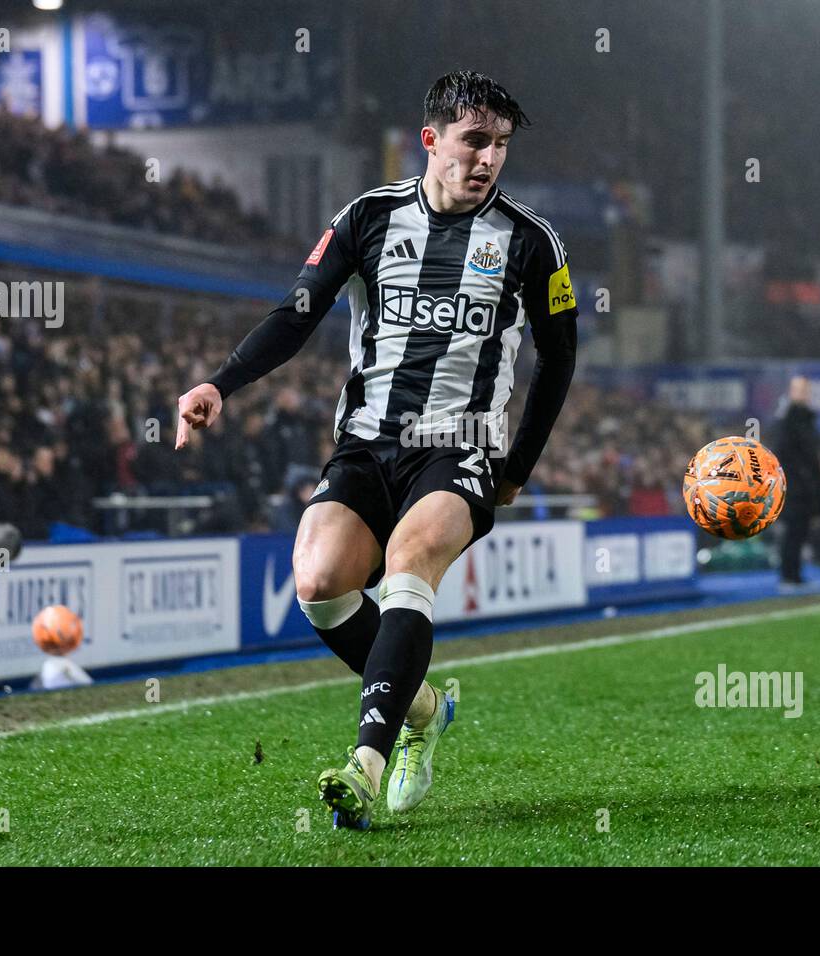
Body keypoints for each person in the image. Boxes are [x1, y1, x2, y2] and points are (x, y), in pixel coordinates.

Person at [174, 71, 578, 829]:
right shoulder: (367, 217)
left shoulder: (531, 241)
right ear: (431, 140)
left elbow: (558, 360)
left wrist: (516, 466)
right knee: (320, 582)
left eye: (500, 145)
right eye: (473, 141)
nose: (488, 158)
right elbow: (297, 316)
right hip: (366, 443)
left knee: (408, 563)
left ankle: (365, 761)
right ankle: (424, 709)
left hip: (458, 447)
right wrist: (221, 384)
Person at [774, 376, 820, 589]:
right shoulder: (787, 418)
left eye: (806, 389)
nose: (803, 393)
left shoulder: (807, 418)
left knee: (801, 529)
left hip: (806, 484)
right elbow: (785, 453)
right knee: (793, 530)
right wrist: (797, 477)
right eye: (799, 389)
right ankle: (788, 576)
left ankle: (795, 574)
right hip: (794, 484)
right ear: (791, 392)